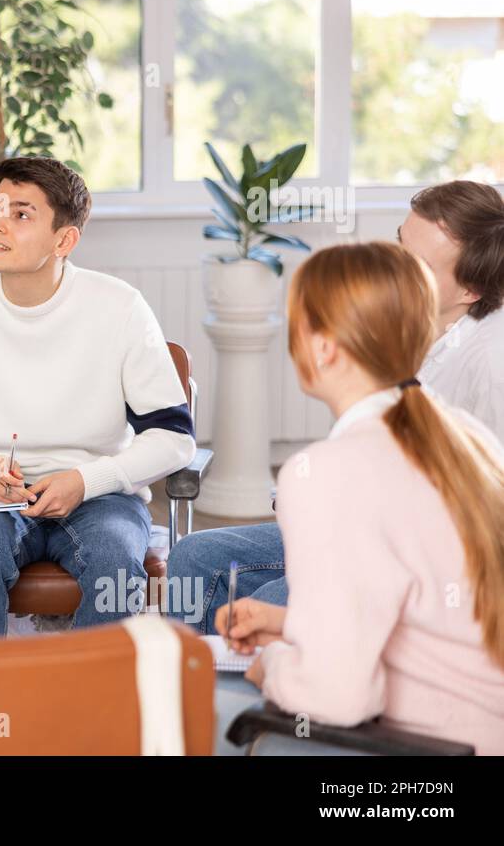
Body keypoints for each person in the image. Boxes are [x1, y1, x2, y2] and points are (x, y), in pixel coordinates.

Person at [166, 180, 504, 631]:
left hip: (424, 563)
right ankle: (187, 691)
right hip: (364, 532)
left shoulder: (490, 361)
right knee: (194, 555)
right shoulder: (417, 324)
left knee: (272, 601)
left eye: (417, 264)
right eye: (399, 245)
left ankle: (274, 691)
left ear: (471, 291)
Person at [215, 241, 504, 755]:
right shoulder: (469, 439)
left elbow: (335, 698)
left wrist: (275, 664)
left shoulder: (325, 472)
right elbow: (435, 611)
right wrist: (290, 623)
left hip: (434, 749)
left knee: (210, 705)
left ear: (322, 347)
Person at [0, 156, 195, 638]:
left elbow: (173, 437)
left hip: (100, 495)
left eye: (21, 214)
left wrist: (86, 479)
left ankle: (90, 708)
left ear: (64, 240)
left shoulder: (119, 306)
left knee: (114, 560)